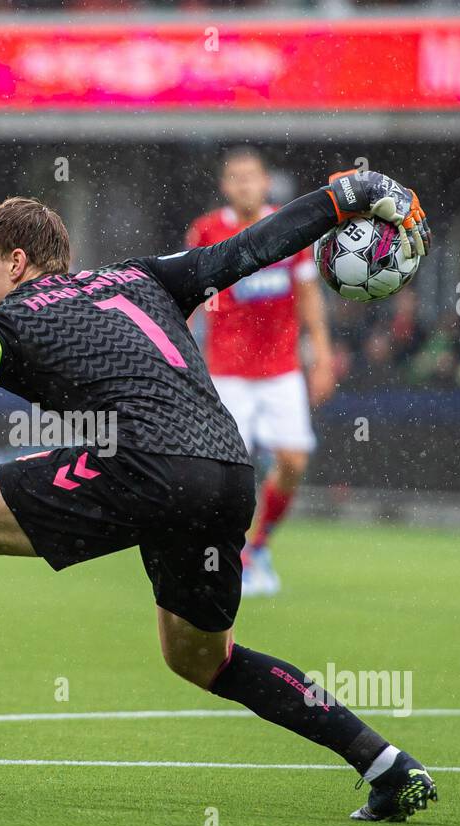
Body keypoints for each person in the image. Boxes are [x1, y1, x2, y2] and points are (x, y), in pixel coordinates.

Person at [0, 170, 438, 822]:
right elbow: (250, 249)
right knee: (204, 658)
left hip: (144, 463)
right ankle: (387, 766)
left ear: (17, 263)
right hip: (227, 472)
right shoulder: (140, 276)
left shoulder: (9, 321)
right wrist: (347, 194)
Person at [187, 147, 333, 596]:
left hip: (281, 369)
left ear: (266, 182)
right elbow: (188, 294)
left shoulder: (290, 227)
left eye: (252, 176)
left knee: (293, 460)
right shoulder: (207, 230)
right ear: (224, 186)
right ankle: (224, 558)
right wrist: (180, 354)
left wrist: (322, 354)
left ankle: (259, 546)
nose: (245, 184)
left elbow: (308, 295)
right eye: (236, 177)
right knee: (227, 475)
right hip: (227, 371)